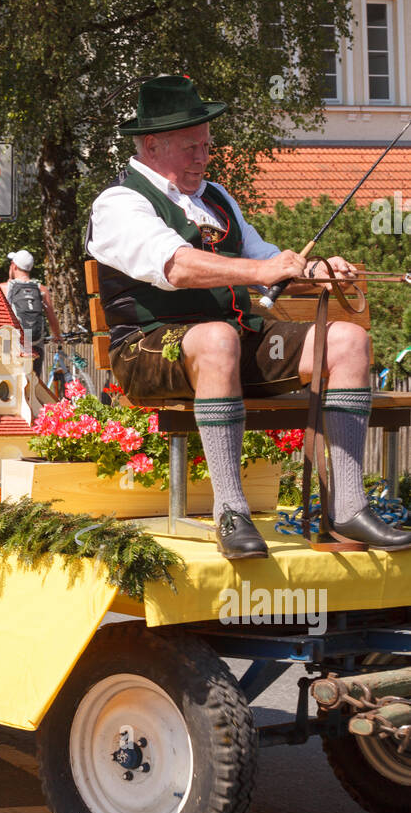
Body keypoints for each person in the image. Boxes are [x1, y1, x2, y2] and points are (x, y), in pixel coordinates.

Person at [87, 74, 411, 559]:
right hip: (148, 351)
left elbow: (267, 262)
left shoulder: (215, 199)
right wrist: (263, 268)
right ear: (152, 145)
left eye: (206, 146)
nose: (204, 156)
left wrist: (316, 270)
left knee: (347, 341)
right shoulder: (120, 203)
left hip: (234, 344)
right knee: (218, 338)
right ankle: (231, 511)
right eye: (192, 147)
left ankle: (347, 506)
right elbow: (175, 265)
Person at [2, 249, 61, 380]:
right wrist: (57, 336)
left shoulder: (4, 288)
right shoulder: (41, 289)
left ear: (14, 266)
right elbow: (51, 317)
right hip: (35, 344)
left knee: (9, 381)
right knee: (33, 382)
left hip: (14, 345)